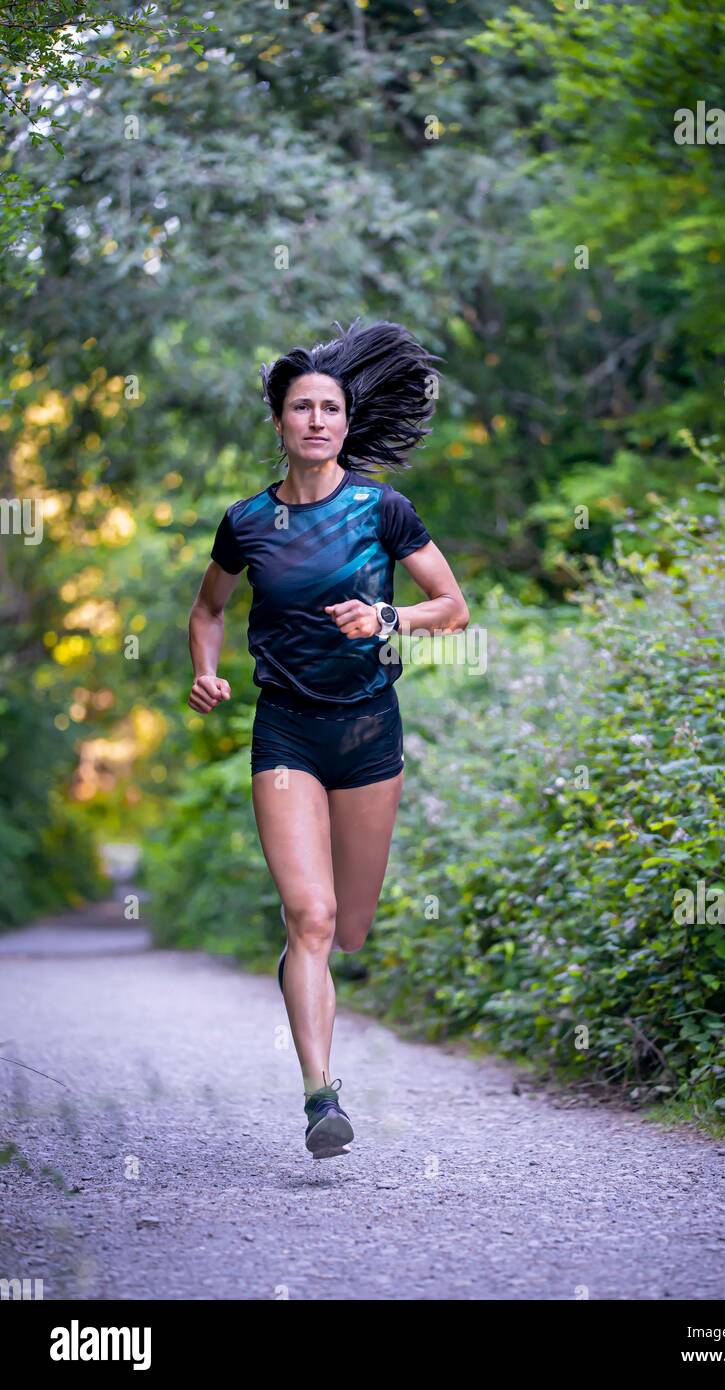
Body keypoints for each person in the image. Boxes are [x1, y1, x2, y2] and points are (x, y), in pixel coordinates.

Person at [187, 319, 470, 1158]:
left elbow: (452, 609)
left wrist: (387, 615)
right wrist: (204, 669)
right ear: (279, 420)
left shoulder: (381, 509)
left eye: (331, 409)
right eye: (302, 407)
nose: (317, 420)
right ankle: (321, 1097)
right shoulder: (245, 523)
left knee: (349, 928)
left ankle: (310, 963)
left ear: (347, 423)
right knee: (308, 915)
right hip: (286, 732)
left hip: (370, 731)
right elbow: (207, 609)